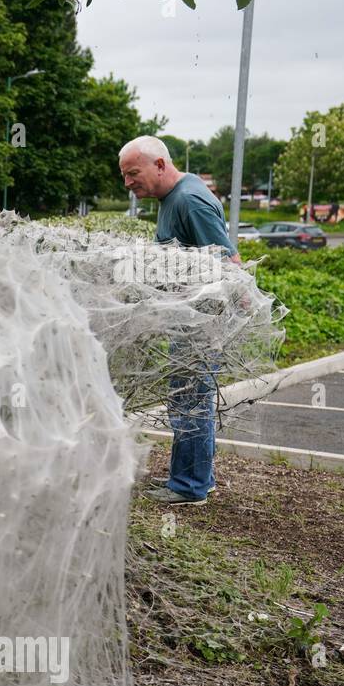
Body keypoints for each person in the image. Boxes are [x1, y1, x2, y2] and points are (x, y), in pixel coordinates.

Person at [118, 135, 240, 506]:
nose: (127, 183)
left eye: (132, 173)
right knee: (188, 401)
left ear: (159, 165)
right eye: (124, 176)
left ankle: (189, 487)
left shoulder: (189, 200)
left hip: (200, 326)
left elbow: (229, 266)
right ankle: (198, 479)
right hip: (188, 322)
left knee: (191, 403)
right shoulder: (171, 198)